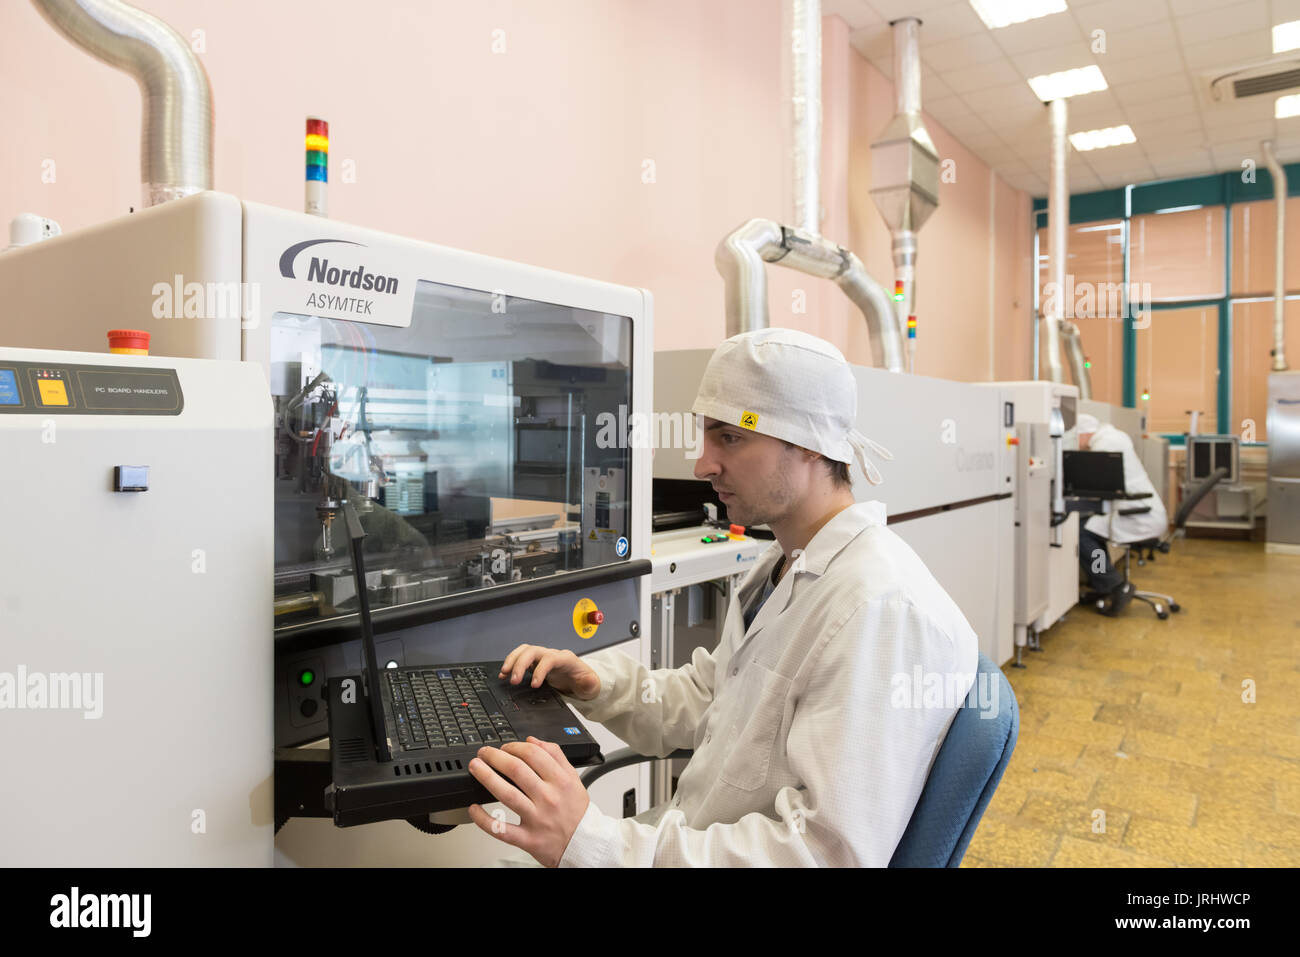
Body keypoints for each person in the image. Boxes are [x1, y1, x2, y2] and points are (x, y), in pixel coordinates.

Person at [463, 327, 979, 866]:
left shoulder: (879, 610)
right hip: (684, 836)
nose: (702, 465)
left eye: (729, 437)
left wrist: (596, 844)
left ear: (806, 443)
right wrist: (600, 685)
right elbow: (715, 701)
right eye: (705, 437)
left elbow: (825, 853)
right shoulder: (779, 569)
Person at [1074, 412, 1168, 616]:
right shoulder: (1113, 437)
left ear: (1083, 434)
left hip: (1139, 516)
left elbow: (1098, 483)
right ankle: (1102, 584)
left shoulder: (1104, 444)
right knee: (1091, 529)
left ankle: (1113, 585)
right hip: (1140, 511)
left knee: (1082, 533)